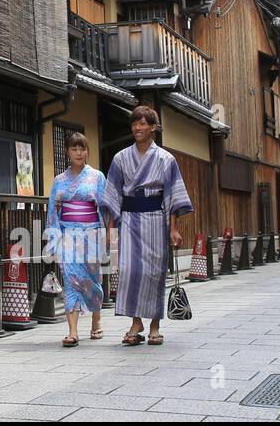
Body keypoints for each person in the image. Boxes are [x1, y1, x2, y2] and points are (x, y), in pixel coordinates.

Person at [101, 106, 193, 346]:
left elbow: (172, 195)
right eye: (134, 124)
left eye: (143, 124)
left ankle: (154, 325)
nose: (137, 128)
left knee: (154, 272)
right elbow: (112, 196)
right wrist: (111, 230)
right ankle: (135, 322)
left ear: (153, 127)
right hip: (129, 219)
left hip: (155, 218)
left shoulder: (166, 159)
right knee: (130, 271)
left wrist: (173, 228)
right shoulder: (121, 158)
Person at [44, 132, 107, 347]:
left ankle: (96, 320)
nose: (79, 153)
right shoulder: (59, 181)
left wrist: (106, 235)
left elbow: (105, 208)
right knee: (71, 279)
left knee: (93, 280)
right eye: (74, 149)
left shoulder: (97, 177)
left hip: (91, 234)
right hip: (68, 234)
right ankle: (72, 331)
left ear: (87, 151)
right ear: (67, 152)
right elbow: (52, 211)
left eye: (83, 148)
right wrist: (53, 240)